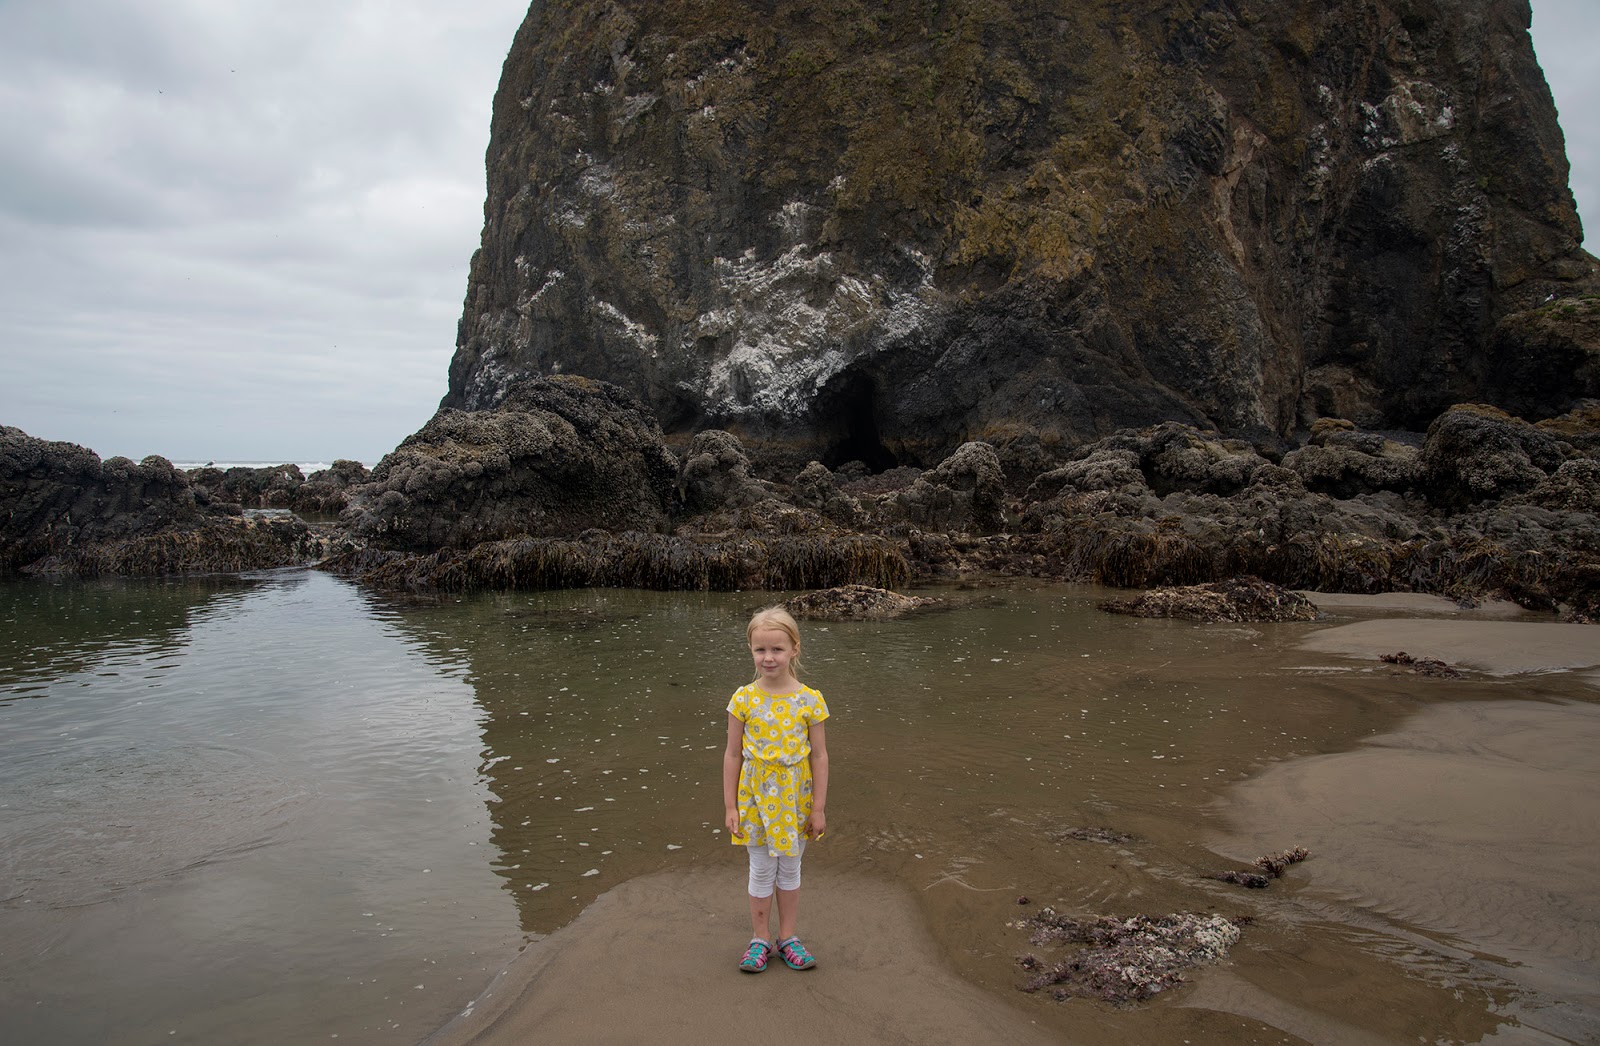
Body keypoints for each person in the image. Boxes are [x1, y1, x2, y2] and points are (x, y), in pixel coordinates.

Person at [722, 605, 830, 973]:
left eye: (777, 649)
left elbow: (819, 757)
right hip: (754, 797)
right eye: (760, 649)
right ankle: (759, 939)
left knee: (791, 868)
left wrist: (818, 807)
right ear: (751, 650)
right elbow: (732, 755)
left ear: (794, 649)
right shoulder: (743, 699)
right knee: (761, 868)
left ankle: (788, 938)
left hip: (795, 798)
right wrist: (730, 806)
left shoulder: (810, 699)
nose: (768, 658)